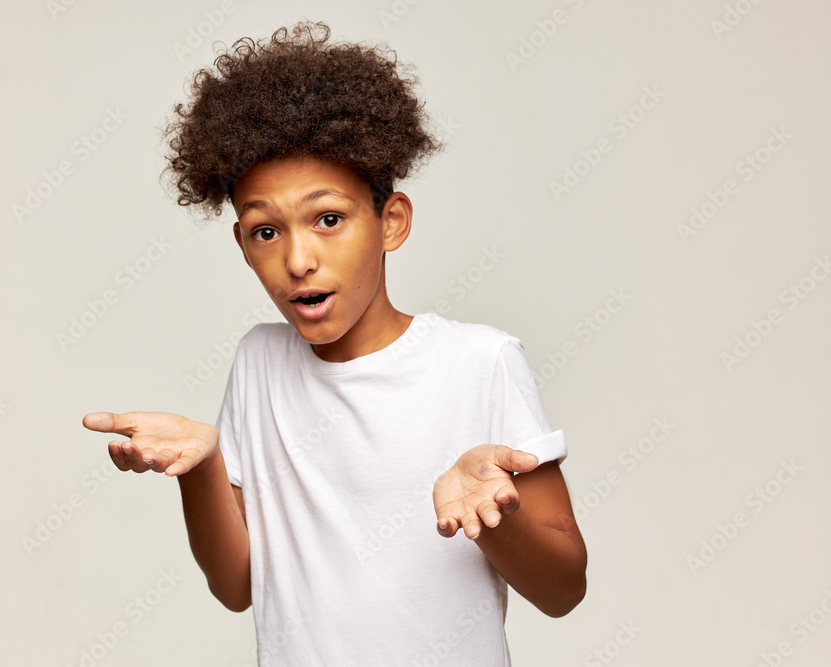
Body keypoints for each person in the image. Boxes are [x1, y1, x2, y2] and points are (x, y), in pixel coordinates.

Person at [83, 20, 586, 665]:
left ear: (391, 222)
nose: (298, 260)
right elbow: (239, 586)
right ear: (242, 245)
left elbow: (564, 590)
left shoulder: (478, 362)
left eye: (329, 219)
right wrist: (204, 468)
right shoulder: (259, 364)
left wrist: (496, 516)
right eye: (266, 232)